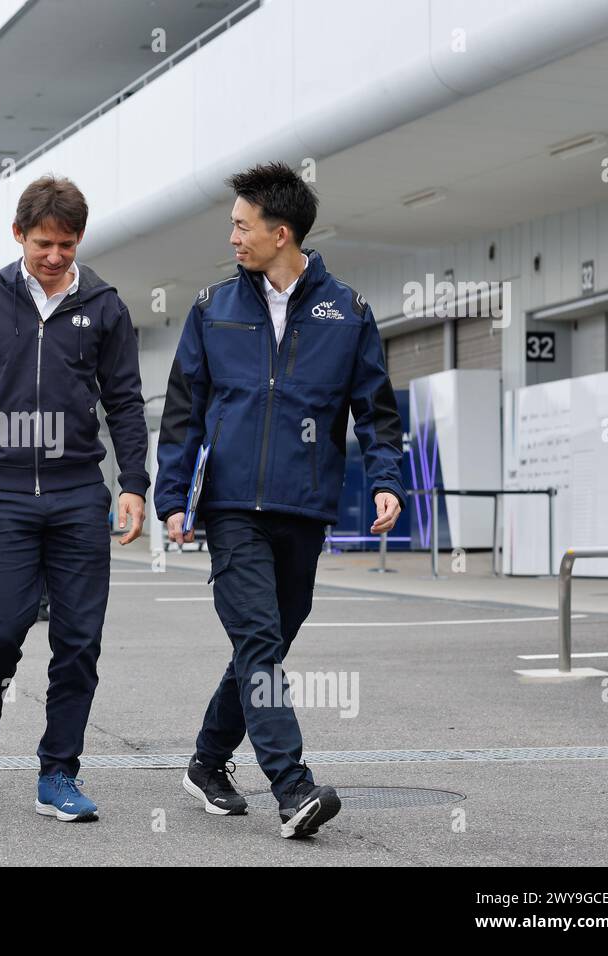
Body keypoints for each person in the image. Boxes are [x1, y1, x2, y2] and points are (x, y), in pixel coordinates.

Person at [154, 162, 405, 839]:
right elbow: (183, 410)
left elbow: (375, 411)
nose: (232, 236)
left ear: (280, 233)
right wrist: (171, 496)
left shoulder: (346, 312)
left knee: (267, 643)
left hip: (305, 507)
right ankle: (292, 787)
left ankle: (207, 762)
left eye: (242, 226)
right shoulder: (214, 309)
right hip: (233, 506)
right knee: (259, 641)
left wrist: (386, 478)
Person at [0, 175, 148, 821]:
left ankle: (58, 772)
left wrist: (133, 483)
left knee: (80, 640)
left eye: (67, 243)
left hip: (79, 491)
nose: (55, 256)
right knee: (1, 629)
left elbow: (126, 402)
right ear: (18, 235)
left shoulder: (104, 305)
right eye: (43, 243)